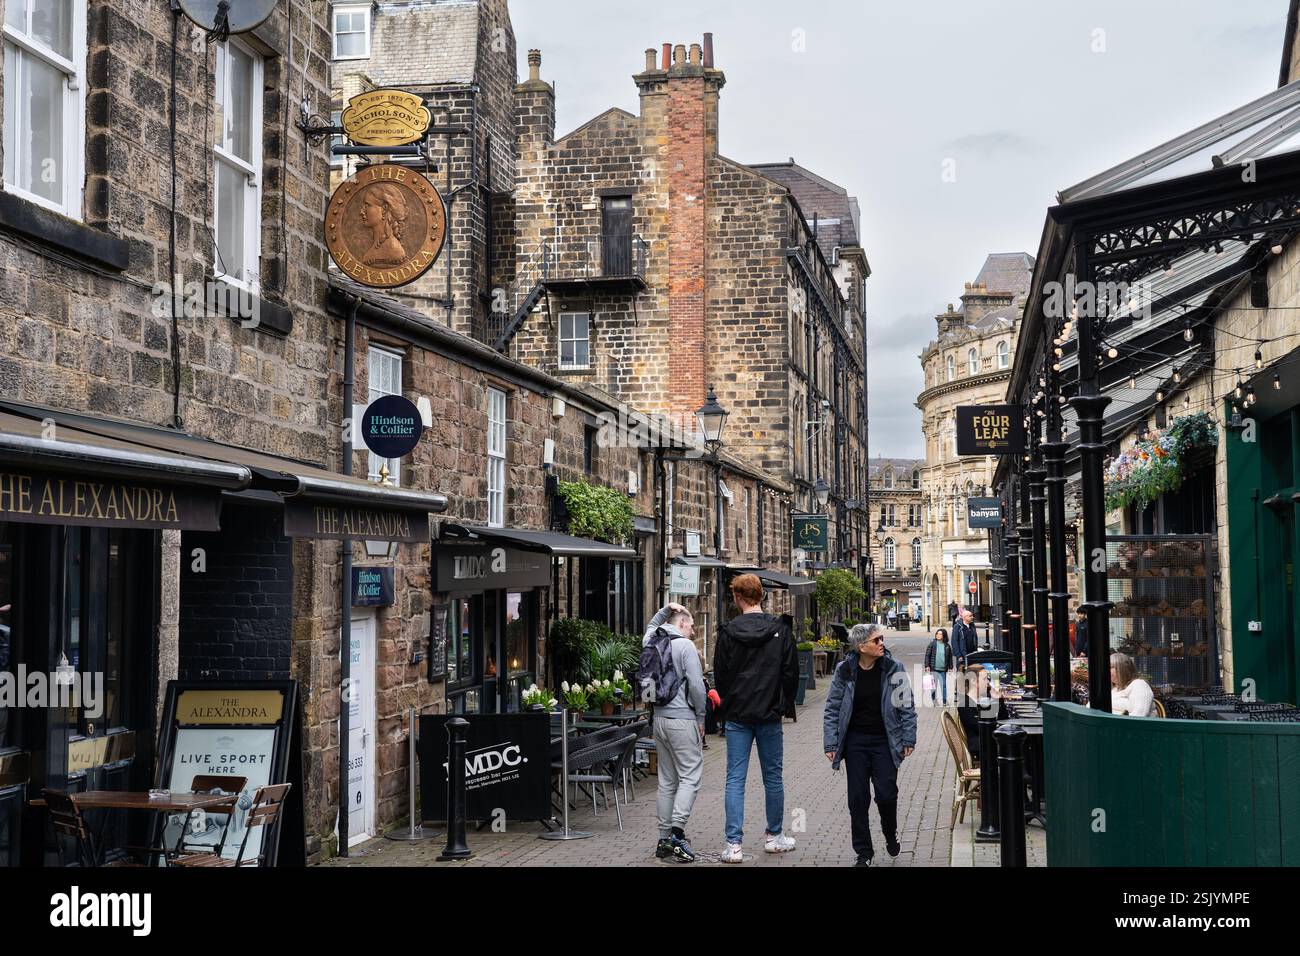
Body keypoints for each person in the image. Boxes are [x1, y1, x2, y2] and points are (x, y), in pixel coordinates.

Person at [713, 574, 799, 863]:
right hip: (769, 714)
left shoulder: (727, 632)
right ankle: (774, 837)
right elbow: (790, 671)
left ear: (737, 598)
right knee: (772, 777)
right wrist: (784, 704)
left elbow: (721, 674)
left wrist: (728, 701)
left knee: (735, 779)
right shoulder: (780, 629)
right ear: (761, 596)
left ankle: (734, 845)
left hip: (737, 714)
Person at [823, 623, 917, 866]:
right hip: (855, 743)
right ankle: (864, 852)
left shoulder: (893, 668)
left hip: (885, 740)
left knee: (886, 795)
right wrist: (831, 742)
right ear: (861, 646)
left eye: (881, 638)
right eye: (876, 640)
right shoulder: (845, 670)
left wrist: (908, 737)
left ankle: (890, 834)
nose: (881, 643)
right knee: (857, 798)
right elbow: (832, 708)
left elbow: (907, 705)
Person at [642, 602, 708, 862]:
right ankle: (677, 836)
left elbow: (650, 627)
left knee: (667, 781)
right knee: (691, 776)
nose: (693, 631)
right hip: (683, 721)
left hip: (659, 720)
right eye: (691, 626)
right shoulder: (685, 646)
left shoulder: (652, 642)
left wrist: (664, 610)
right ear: (681, 623)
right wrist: (701, 717)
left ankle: (662, 839)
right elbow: (697, 687)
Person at [955, 668, 1008, 761]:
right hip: (982, 746)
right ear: (973, 681)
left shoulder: (984, 698)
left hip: (991, 741)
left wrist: (999, 700)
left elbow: (1004, 719)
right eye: (984, 679)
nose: (988, 682)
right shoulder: (964, 704)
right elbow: (981, 728)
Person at [1110, 652, 1154, 717]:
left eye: (1110, 667)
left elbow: (1139, 715)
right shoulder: (1114, 688)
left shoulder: (1139, 685)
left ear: (1123, 669)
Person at [924, 628, 953, 706]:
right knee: (934, 686)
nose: (938, 635)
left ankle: (944, 701)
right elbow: (927, 655)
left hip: (943, 669)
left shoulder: (947, 646)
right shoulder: (932, 644)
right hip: (934, 669)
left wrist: (950, 667)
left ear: (944, 636)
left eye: (940, 634)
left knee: (943, 686)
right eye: (937, 634)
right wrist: (927, 665)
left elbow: (950, 658)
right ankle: (934, 701)